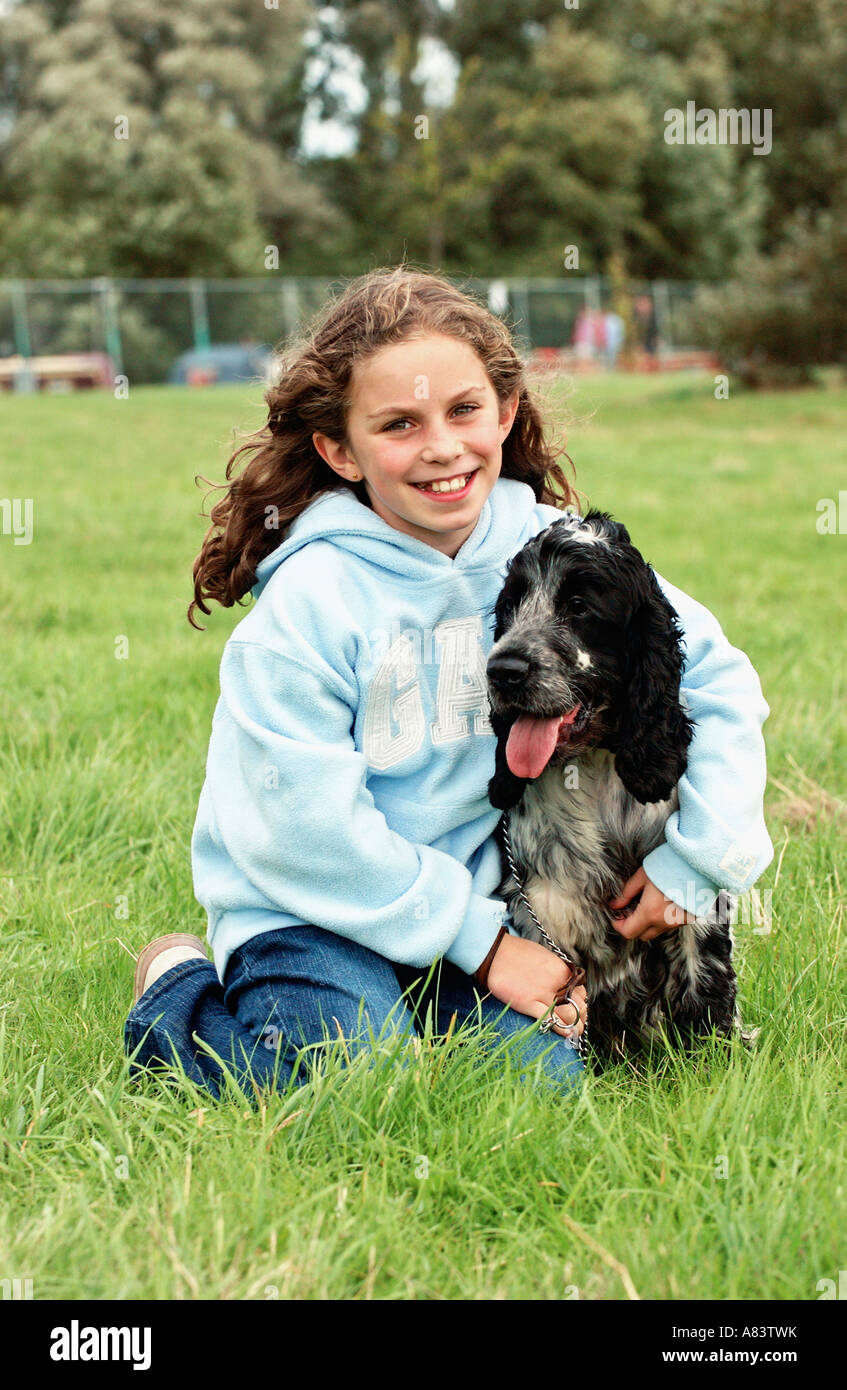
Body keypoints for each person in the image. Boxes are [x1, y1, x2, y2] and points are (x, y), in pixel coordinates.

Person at [124, 264, 773, 1100]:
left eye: (463, 410)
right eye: (397, 423)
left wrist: (698, 863)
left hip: (477, 917)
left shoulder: (547, 547)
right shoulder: (308, 606)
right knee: (359, 1082)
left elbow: (709, 675)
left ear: (504, 411)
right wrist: (487, 946)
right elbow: (300, 834)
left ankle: (430, 1017)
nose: (440, 446)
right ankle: (178, 989)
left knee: (535, 1092)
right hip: (314, 915)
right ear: (339, 450)